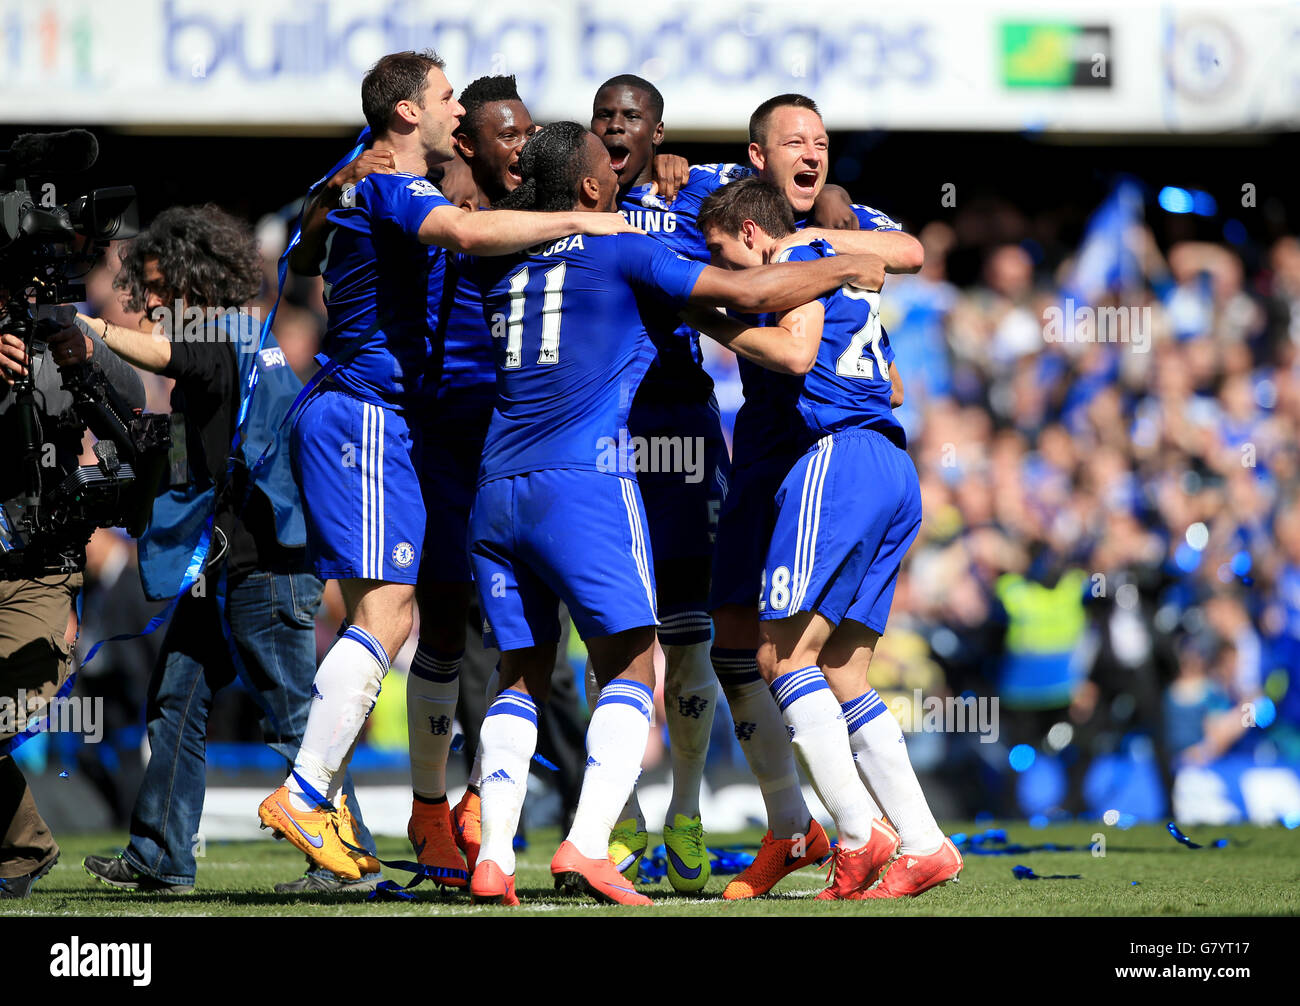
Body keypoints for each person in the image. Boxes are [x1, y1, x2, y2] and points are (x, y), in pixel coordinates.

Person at [462, 120, 887, 907]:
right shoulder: (622, 247)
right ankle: (589, 845)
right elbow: (755, 294)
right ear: (592, 187)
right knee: (634, 664)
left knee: (518, 673)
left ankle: (492, 858)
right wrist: (848, 261)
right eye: (604, 164)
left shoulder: (501, 259)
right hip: (579, 482)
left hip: (495, 485)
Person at [257, 49, 636, 886]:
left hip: (465, 436)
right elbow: (337, 241)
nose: (471, 120)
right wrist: (330, 205)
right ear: (421, 121)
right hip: (379, 418)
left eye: (523, 134)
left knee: (448, 624)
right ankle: (312, 793)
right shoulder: (397, 180)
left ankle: (438, 813)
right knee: (390, 615)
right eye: (457, 106)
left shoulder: (493, 189)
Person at [586, 74, 863, 891]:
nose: (614, 129)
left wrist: (837, 192)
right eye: (603, 117)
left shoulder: (696, 185)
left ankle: (686, 808)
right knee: (605, 626)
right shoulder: (568, 193)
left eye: (631, 118)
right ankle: (624, 820)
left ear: (658, 130)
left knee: (696, 628)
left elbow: (795, 200)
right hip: (595, 431)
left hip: (678, 425)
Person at [71, 205, 378, 895]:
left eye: (155, 283)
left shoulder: (219, 333)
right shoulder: (244, 338)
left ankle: (346, 856)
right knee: (177, 697)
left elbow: (161, 352)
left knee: (295, 713)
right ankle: (161, 855)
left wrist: (88, 329)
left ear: (190, 280)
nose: (147, 298)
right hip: (229, 564)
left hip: (263, 568)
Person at [692, 177, 961, 900]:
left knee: (779, 654)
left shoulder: (793, 260)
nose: (724, 270)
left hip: (837, 460)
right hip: (891, 462)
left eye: (722, 253)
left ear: (751, 235)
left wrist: (709, 317)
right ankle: (927, 843)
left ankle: (856, 831)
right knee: (841, 672)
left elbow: (797, 352)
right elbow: (896, 386)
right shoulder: (836, 262)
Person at [0, 315, 144, 898]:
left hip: (38, 572)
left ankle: (22, 849)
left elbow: (133, 404)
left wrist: (87, 353)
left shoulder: (59, 328)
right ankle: (23, 849)